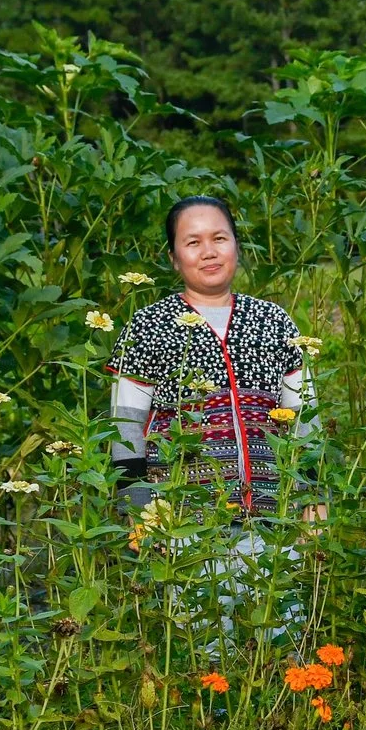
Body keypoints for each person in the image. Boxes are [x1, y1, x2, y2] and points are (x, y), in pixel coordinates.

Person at [108, 195, 320, 515]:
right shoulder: (148, 325)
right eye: (193, 242)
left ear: (237, 246)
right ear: (174, 258)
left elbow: (306, 418)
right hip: (179, 524)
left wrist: (314, 499)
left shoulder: (274, 321)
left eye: (219, 238)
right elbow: (125, 426)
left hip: (275, 526)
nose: (209, 252)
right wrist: (138, 511)